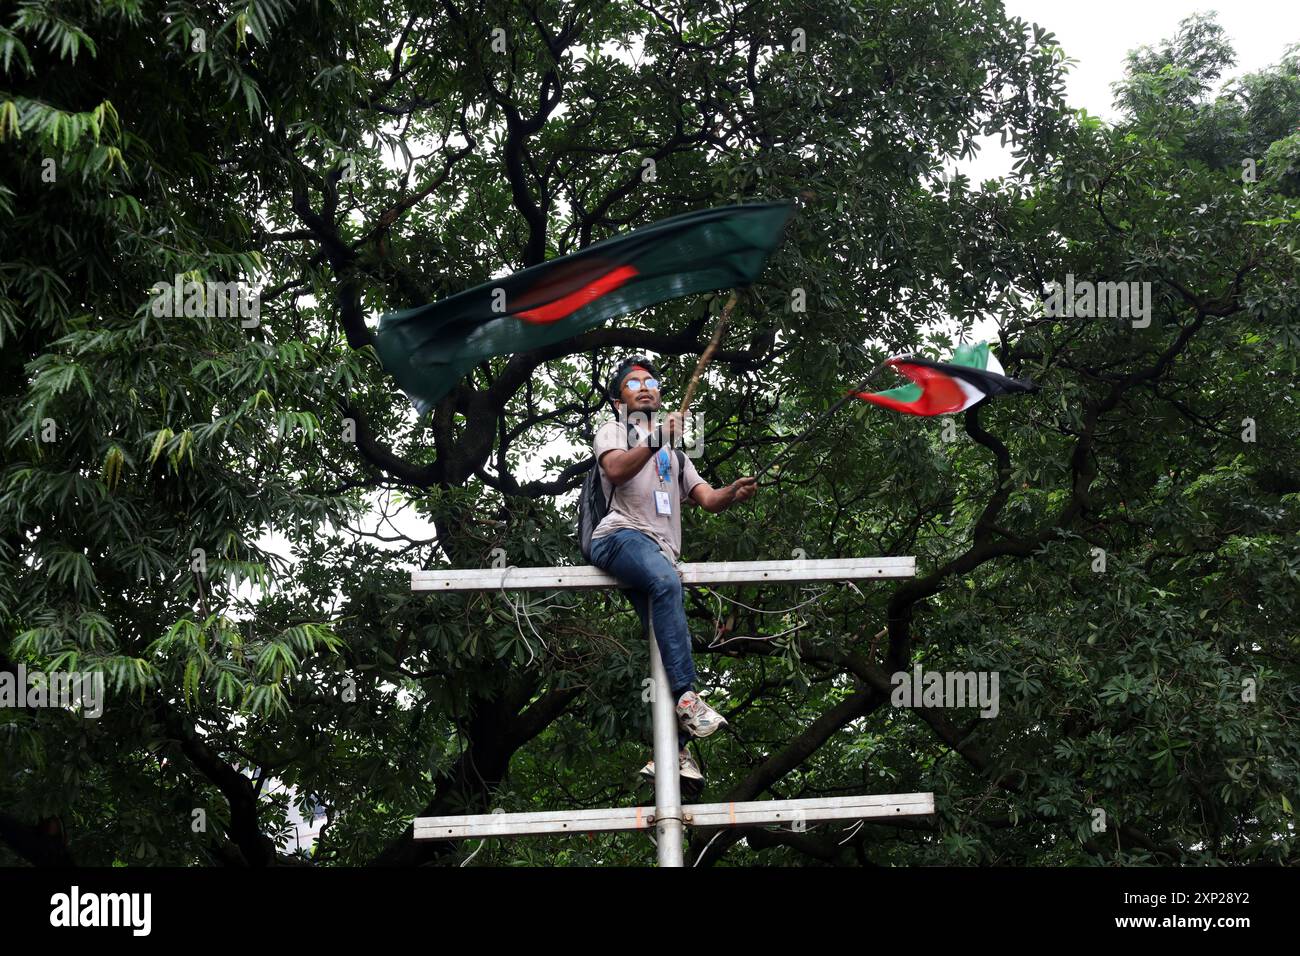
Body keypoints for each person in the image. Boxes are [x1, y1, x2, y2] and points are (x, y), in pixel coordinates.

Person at [588, 354, 759, 786]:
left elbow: (706, 499)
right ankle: (688, 698)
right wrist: (654, 438)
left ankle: (674, 753)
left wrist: (731, 492)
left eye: (651, 380)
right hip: (619, 536)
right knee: (667, 584)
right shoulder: (614, 430)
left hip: (659, 552)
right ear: (616, 400)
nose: (644, 387)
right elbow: (615, 469)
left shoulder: (677, 457)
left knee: (668, 640)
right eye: (632, 383)